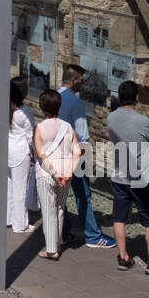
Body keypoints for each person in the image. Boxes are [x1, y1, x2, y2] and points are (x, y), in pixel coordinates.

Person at [107, 81, 149, 275]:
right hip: (140, 177)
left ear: (119, 97)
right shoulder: (143, 121)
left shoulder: (111, 118)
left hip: (119, 175)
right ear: (137, 98)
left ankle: (123, 257)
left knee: (119, 217)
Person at [58, 64, 116, 250]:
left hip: (58, 154)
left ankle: (63, 231)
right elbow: (82, 135)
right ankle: (92, 235)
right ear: (74, 80)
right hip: (75, 153)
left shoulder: (54, 96)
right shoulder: (75, 103)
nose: (82, 85)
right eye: (81, 81)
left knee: (61, 196)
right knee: (83, 195)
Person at [33, 89, 80, 260]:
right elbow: (77, 152)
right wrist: (69, 172)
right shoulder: (68, 127)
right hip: (65, 172)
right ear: (59, 106)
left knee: (48, 211)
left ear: (41, 106)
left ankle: (51, 249)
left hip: (47, 173)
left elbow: (41, 155)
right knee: (60, 209)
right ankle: (57, 242)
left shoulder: (39, 128)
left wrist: (54, 173)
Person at [8, 78, 36, 233]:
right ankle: (19, 224)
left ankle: (8, 218)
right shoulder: (25, 111)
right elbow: (30, 134)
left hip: (7, 150)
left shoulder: (5, 106)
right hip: (21, 152)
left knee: (9, 185)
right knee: (20, 188)